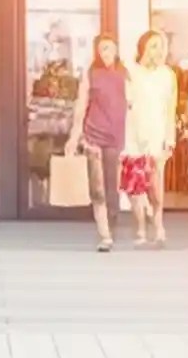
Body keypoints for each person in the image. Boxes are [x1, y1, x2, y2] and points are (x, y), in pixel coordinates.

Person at [64, 33, 130, 252]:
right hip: (94, 135)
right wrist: (75, 136)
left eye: (110, 48)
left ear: (117, 50)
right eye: (102, 49)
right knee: (98, 188)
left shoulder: (125, 75)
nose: (106, 53)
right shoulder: (91, 75)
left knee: (113, 188)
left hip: (116, 137)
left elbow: (133, 106)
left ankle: (112, 225)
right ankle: (105, 234)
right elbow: (81, 106)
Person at [124, 30, 176, 247]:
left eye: (161, 46)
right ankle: (140, 228)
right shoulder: (130, 72)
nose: (158, 51)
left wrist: (170, 138)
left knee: (155, 183)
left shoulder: (167, 75)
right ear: (143, 48)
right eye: (154, 46)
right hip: (133, 134)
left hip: (157, 133)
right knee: (134, 184)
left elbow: (170, 109)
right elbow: (124, 102)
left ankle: (158, 223)